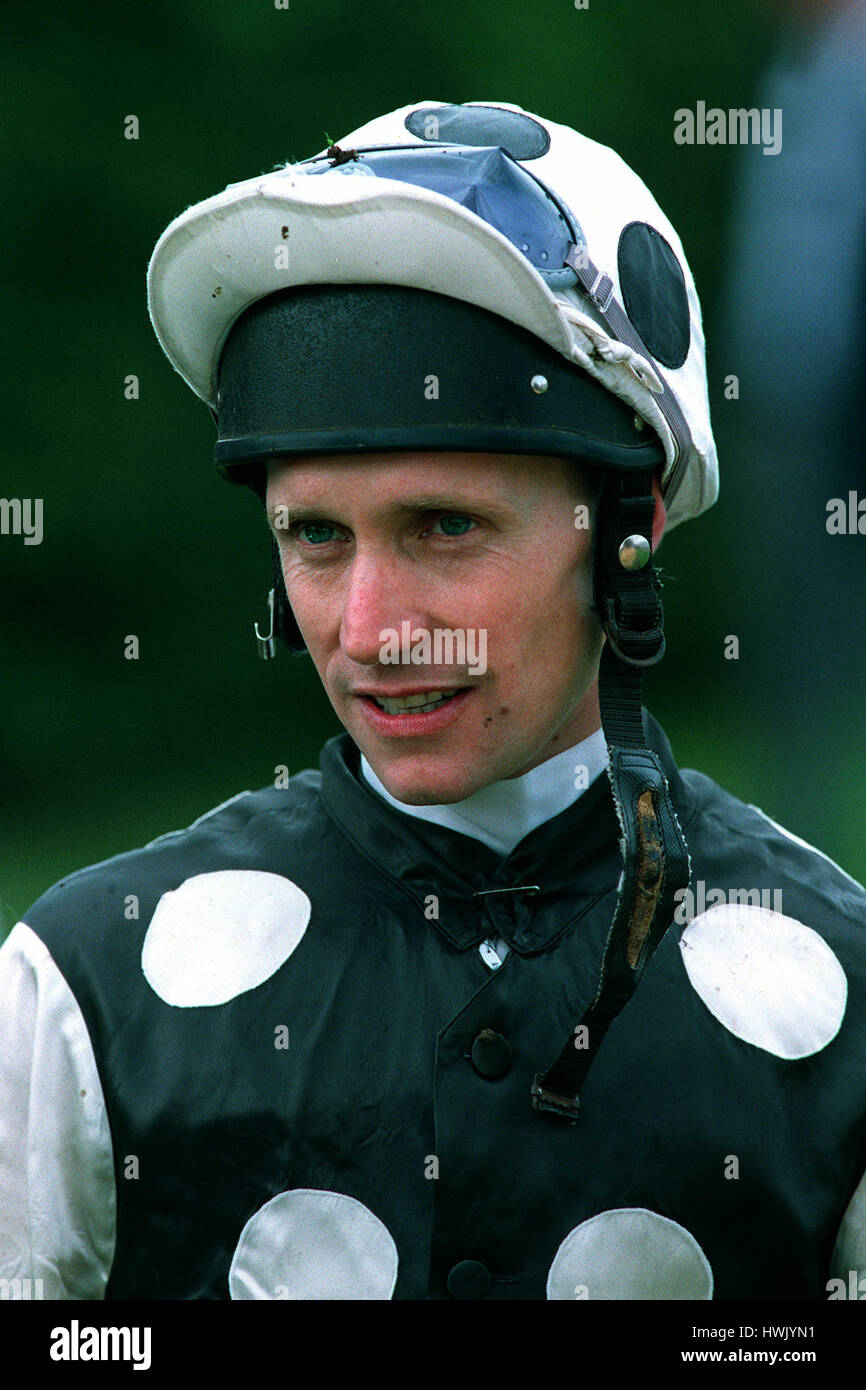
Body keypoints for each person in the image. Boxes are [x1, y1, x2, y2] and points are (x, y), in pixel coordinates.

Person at [1, 100, 865, 1302]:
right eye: (313, 536)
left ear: (629, 530)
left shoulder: (844, 1002)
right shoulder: (79, 994)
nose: (368, 630)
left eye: (444, 526)